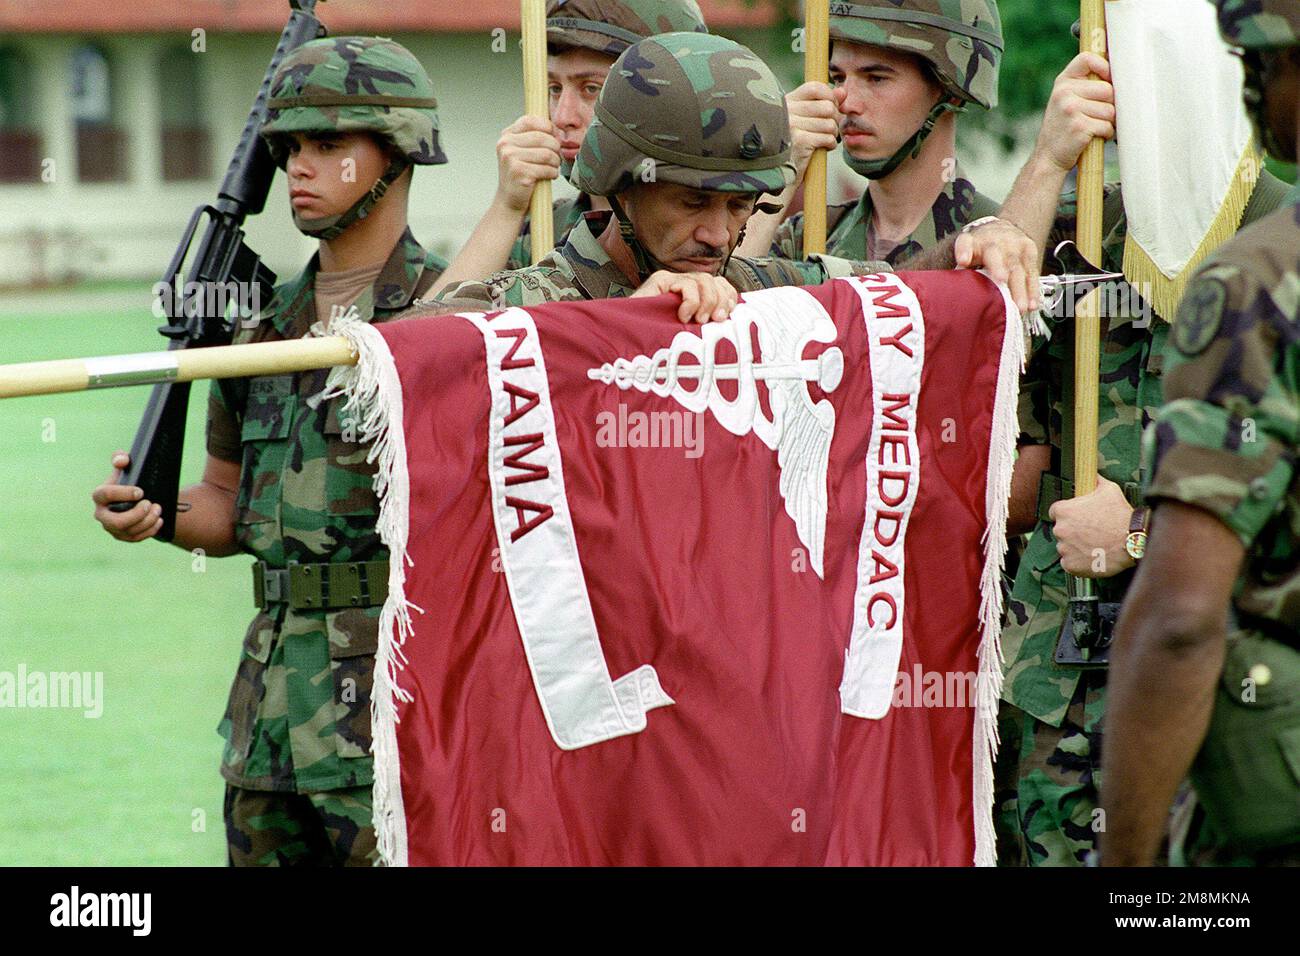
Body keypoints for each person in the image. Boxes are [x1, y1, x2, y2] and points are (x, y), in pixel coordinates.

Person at [90, 36, 448, 866]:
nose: (300, 168)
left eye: (329, 146)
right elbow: (223, 504)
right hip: (270, 713)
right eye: (289, 149)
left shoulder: (449, 314)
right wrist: (153, 511)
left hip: (395, 709)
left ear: (398, 155)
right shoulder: (260, 326)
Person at [991, 22, 1291, 864]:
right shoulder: (1090, 227)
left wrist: (1135, 539)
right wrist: (1048, 161)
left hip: (1221, 707)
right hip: (1061, 698)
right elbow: (985, 327)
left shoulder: (1283, 261)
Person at [435, 32, 1039, 317]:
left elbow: (899, 291)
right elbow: (390, 366)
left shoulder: (764, 286)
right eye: (694, 203)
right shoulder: (530, 303)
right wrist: (618, 326)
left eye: (740, 206)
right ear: (621, 184)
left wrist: (975, 239)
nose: (720, 236)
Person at [1102, 0, 1300, 867]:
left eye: (1265, 62)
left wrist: (1130, 872)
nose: (1246, 83)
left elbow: (1181, 616)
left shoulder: (1259, 280)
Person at [429, 0, 710, 295]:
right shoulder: (545, 227)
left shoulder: (716, 233)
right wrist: (508, 206)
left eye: (591, 89)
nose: (562, 117)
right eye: (554, 89)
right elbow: (429, 334)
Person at [738, 0, 1004, 265]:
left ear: (950, 93)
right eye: (838, 78)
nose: (846, 103)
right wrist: (786, 170)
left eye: (876, 78)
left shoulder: (995, 243)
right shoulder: (806, 238)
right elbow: (729, 293)